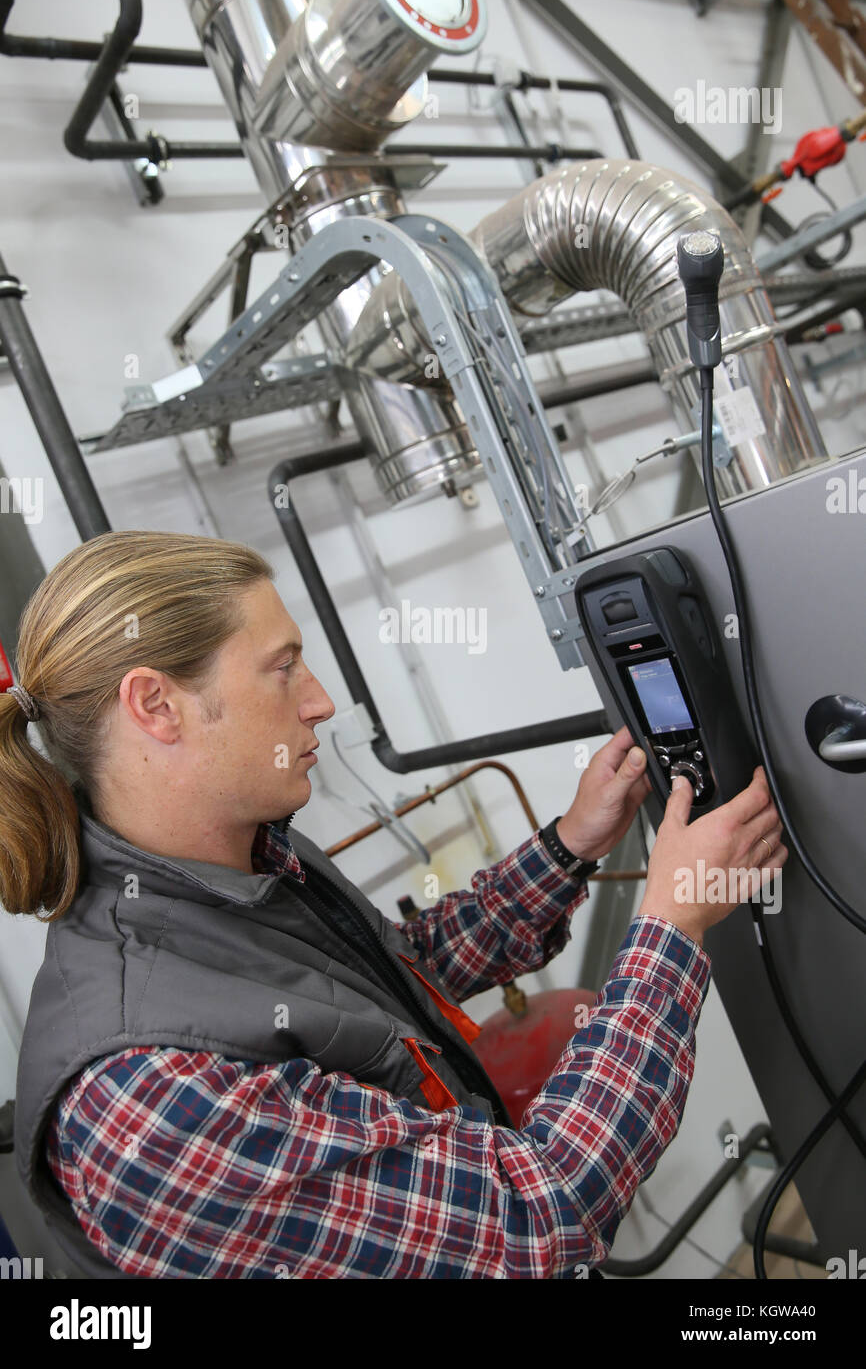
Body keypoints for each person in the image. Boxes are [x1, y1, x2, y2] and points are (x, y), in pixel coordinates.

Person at [2, 530, 786, 1280]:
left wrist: (569, 847)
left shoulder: (240, 857)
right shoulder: (148, 1098)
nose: (319, 702)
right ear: (156, 705)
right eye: (283, 668)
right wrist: (672, 924)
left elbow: (390, 983)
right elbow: (540, 1218)